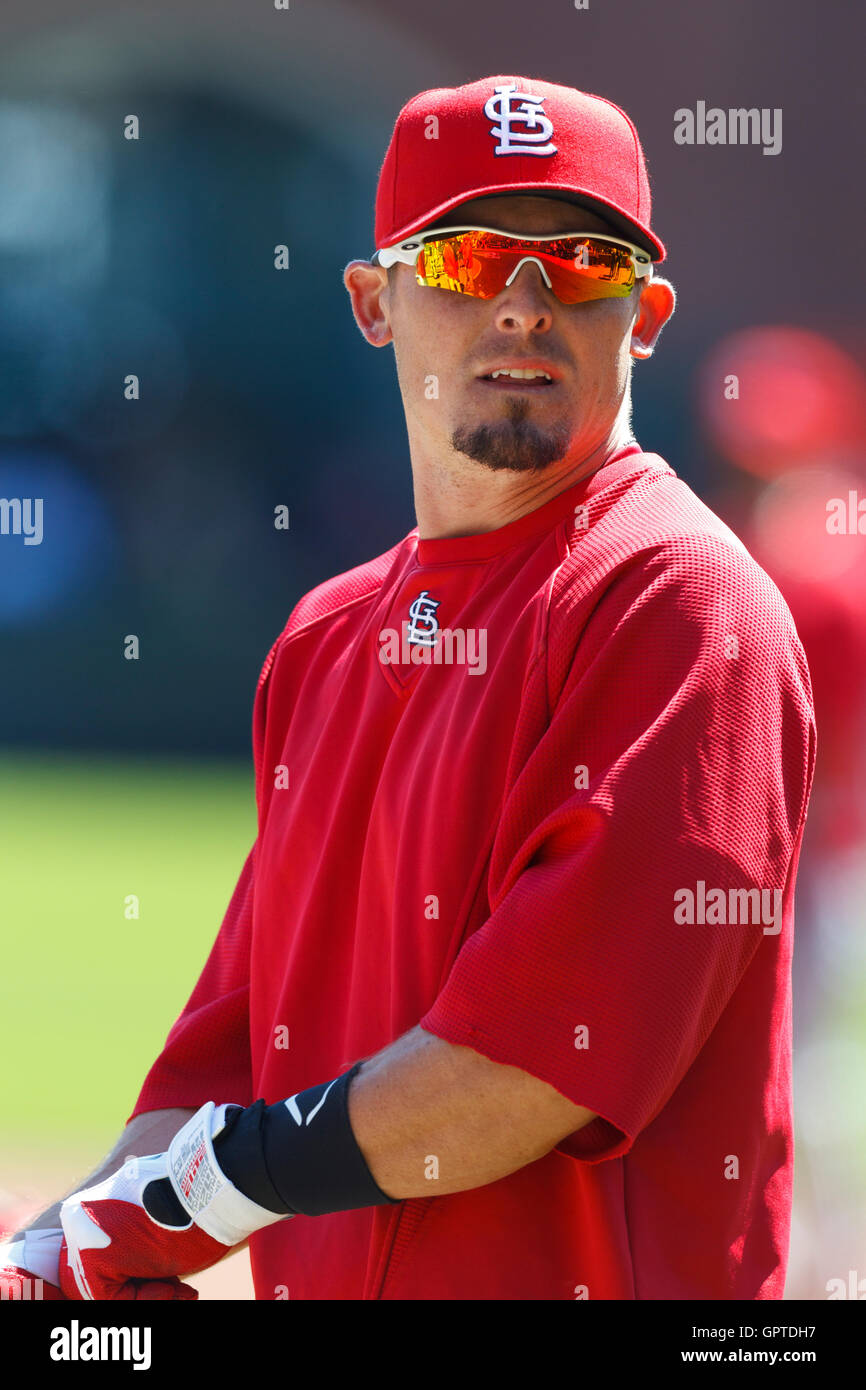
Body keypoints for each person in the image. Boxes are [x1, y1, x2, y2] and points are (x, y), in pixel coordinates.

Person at [1, 75, 815, 1302]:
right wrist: (54, 1252)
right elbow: (220, 1079)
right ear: (376, 301)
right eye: (473, 257)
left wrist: (197, 1193)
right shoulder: (326, 636)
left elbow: (528, 1070)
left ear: (642, 314)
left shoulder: (674, 601)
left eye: (582, 264)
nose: (526, 306)